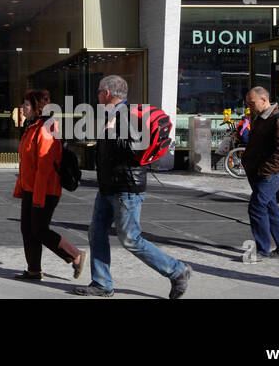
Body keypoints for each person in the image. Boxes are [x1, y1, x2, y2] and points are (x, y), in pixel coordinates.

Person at [74, 74, 191, 298]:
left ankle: (177, 271)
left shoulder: (128, 116)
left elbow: (135, 148)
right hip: (109, 186)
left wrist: (110, 131)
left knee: (130, 239)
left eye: (99, 91)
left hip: (126, 188)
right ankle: (101, 283)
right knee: (96, 232)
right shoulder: (113, 115)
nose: (97, 95)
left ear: (107, 93)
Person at [14, 89, 85, 281]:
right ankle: (34, 270)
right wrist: (22, 188)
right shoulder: (32, 127)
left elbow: (44, 168)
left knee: (39, 230)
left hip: (45, 190)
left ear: (37, 108)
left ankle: (75, 254)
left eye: (26, 105)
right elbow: (27, 163)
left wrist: (37, 198)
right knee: (28, 230)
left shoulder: (46, 129)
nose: (22, 108)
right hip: (32, 188)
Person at [241, 86, 279, 261]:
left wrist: (266, 170)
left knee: (257, 206)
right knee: (271, 209)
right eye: (248, 104)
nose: (250, 107)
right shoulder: (260, 119)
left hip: (271, 174)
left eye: (252, 103)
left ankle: (261, 250)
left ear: (264, 100)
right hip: (258, 172)